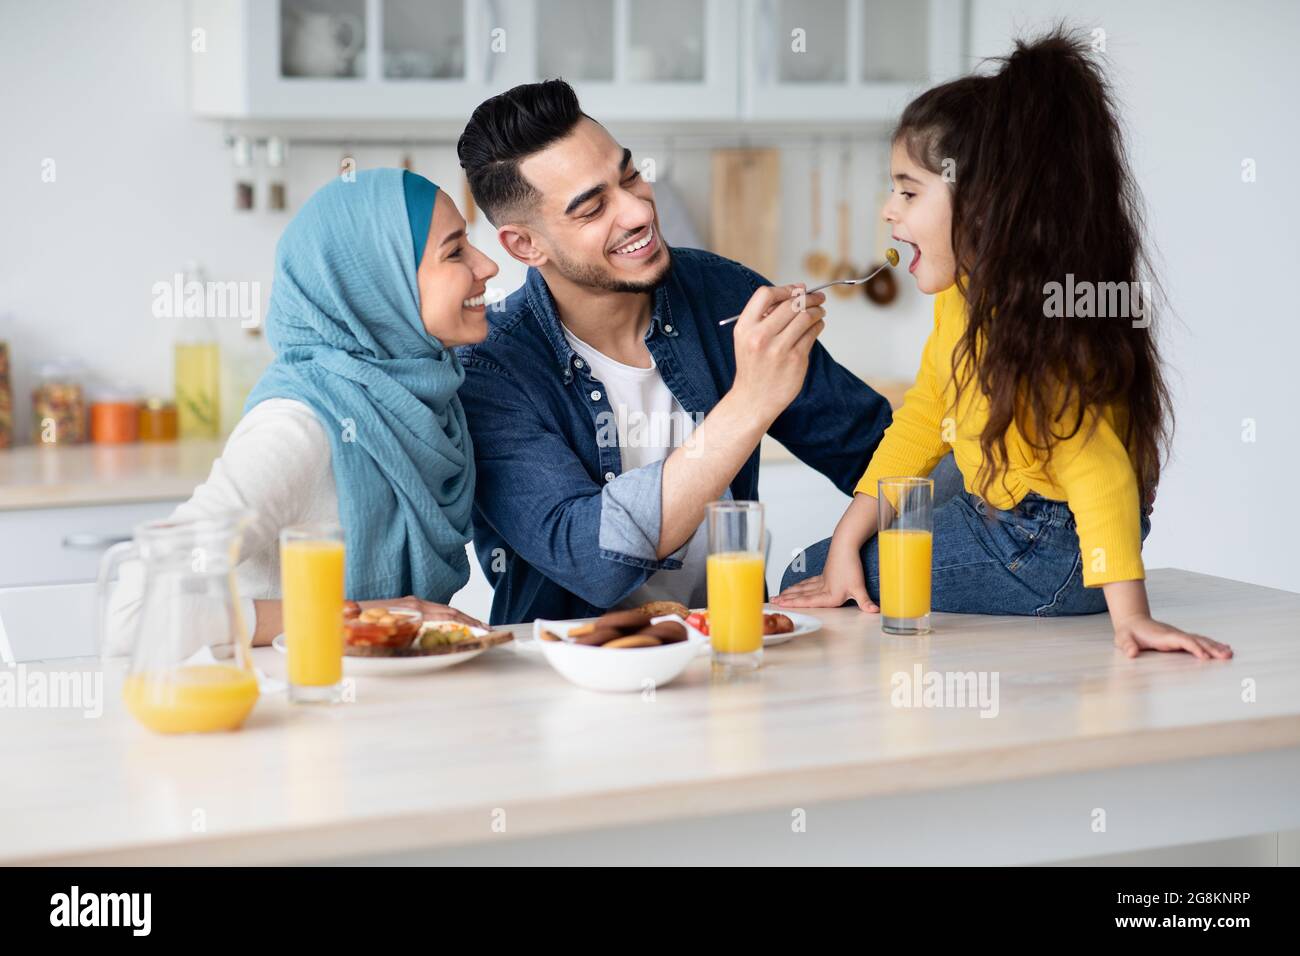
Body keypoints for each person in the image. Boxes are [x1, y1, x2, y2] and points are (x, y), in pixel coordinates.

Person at [774, 30, 1232, 660]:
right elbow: (928, 412)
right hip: (1013, 523)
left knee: (804, 567)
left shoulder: (1037, 328)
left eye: (908, 191)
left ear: (983, 206)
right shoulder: (963, 297)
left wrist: (1132, 618)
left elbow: (1098, 466)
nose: (887, 210)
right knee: (841, 553)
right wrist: (853, 529)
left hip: (1047, 551)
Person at [453, 79, 899, 625]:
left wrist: (858, 544)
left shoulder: (723, 295)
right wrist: (750, 402)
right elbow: (593, 559)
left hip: (730, 655)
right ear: (526, 245)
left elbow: (879, 451)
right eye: (593, 209)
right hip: (566, 681)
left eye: (630, 176)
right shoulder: (491, 369)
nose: (639, 211)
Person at [107, 169, 498, 651]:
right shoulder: (299, 427)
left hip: (389, 706)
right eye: (455, 251)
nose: (487, 266)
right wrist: (354, 617)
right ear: (376, 283)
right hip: (287, 710)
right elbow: (136, 609)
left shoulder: (431, 406)